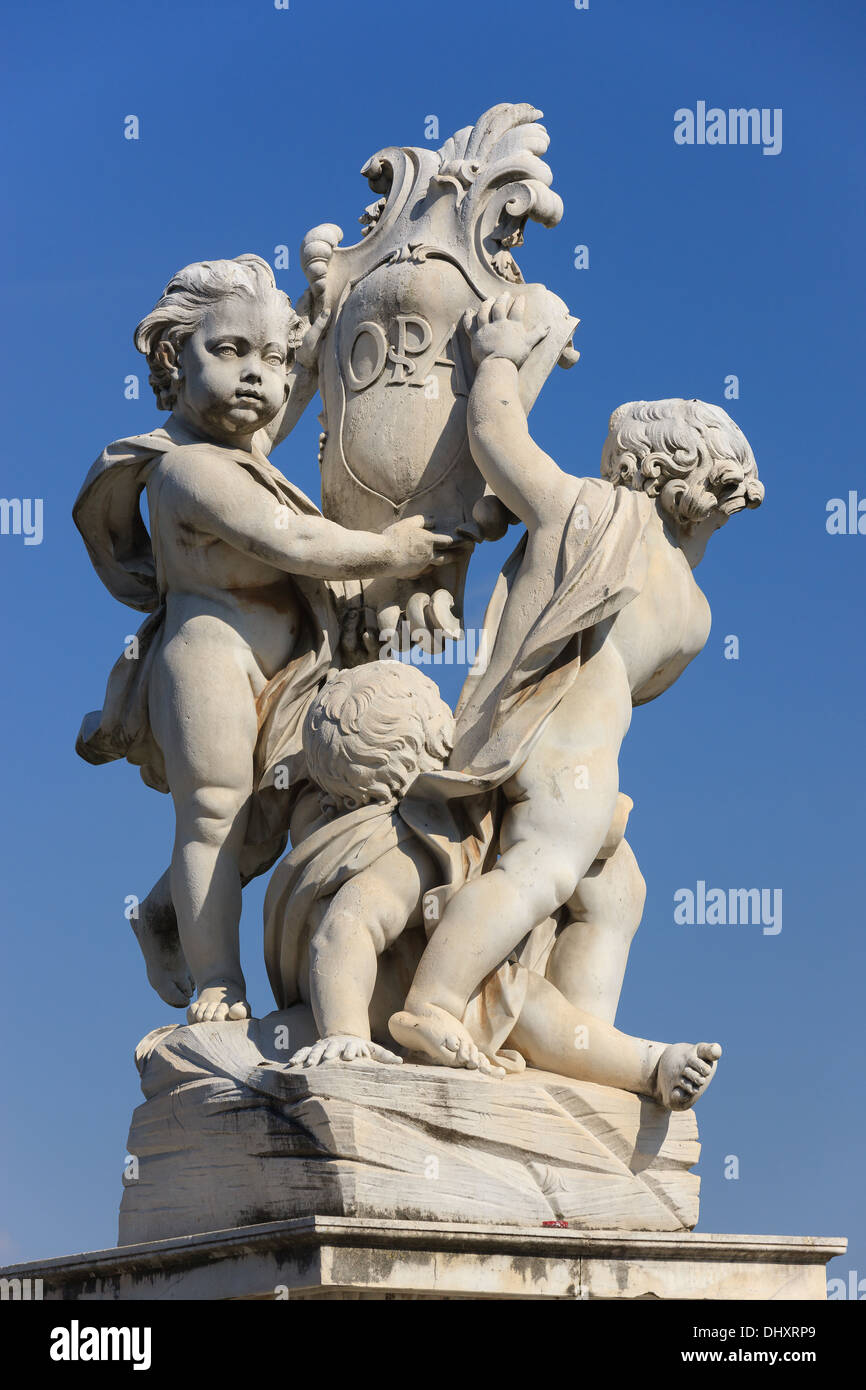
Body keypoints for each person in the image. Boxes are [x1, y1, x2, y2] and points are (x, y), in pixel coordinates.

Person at [74, 254, 456, 1022]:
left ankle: (167, 915)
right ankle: (221, 980)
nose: (257, 373)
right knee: (215, 814)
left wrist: (318, 320)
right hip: (210, 658)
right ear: (173, 360)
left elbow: (294, 393)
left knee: (259, 831)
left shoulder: (241, 450)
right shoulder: (187, 470)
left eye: (272, 358)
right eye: (230, 350)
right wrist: (393, 551)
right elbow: (292, 540)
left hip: (295, 666)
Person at [389, 293, 763, 1070]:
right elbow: (496, 439)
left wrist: (501, 360)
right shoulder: (600, 522)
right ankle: (432, 1001)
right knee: (542, 871)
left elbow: (499, 440)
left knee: (616, 890)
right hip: (557, 745)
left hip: (588, 763)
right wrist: (498, 355)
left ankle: (582, 1043)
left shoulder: (674, 592)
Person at [265, 662, 721, 1110]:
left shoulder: (346, 829)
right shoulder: (407, 846)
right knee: (531, 1004)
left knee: (582, 927)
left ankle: (647, 1064)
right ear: (434, 748)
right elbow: (345, 925)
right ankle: (650, 1065)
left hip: (382, 997)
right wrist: (345, 1034)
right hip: (395, 1005)